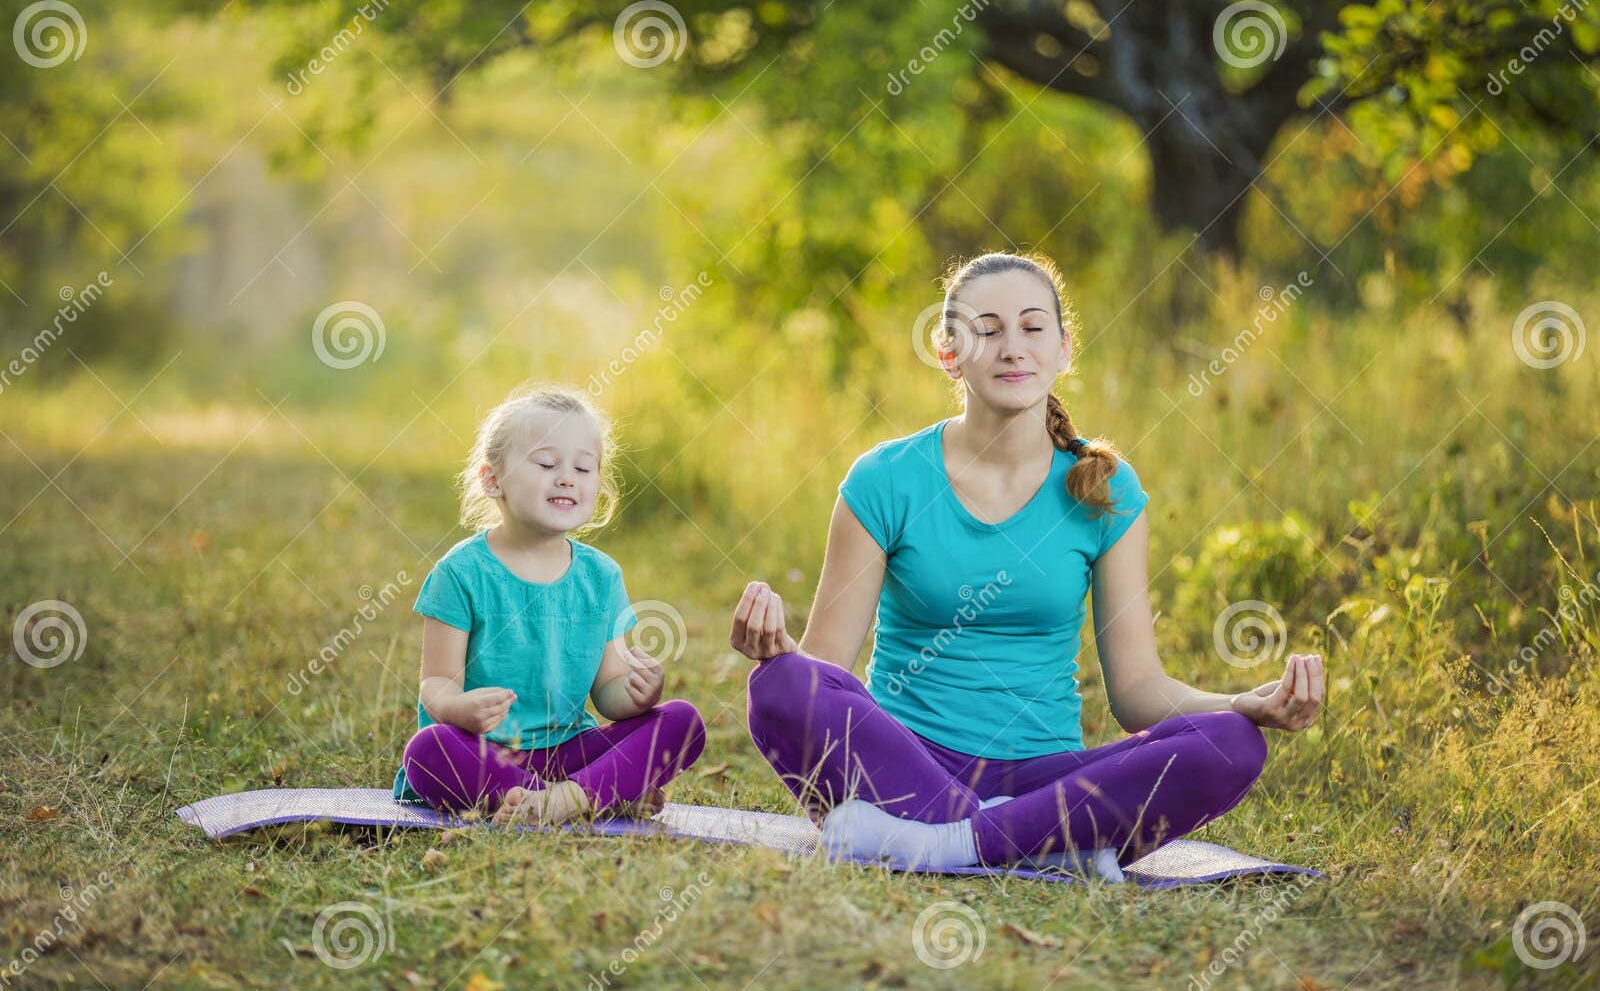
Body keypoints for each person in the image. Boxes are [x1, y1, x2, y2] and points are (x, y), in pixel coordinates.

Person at [729, 251, 1324, 880]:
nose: (1013, 348)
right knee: (782, 686)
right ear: (949, 353)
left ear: (1064, 350)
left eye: (1033, 328)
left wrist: (1239, 703)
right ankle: (1036, 838)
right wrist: (778, 651)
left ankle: (945, 842)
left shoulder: (1107, 490)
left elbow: (1137, 691)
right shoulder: (886, 479)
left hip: (1044, 773)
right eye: (987, 330)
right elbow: (827, 670)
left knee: (1229, 743)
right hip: (904, 760)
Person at [394, 384, 705, 825]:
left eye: (583, 467)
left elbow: (608, 692)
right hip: (484, 752)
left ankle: (562, 800)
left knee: (681, 721)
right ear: (492, 479)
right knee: (427, 751)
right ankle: (595, 795)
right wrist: (458, 709)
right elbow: (437, 682)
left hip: (571, 753)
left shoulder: (601, 576)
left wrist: (638, 695)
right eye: (545, 463)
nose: (567, 478)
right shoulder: (461, 572)